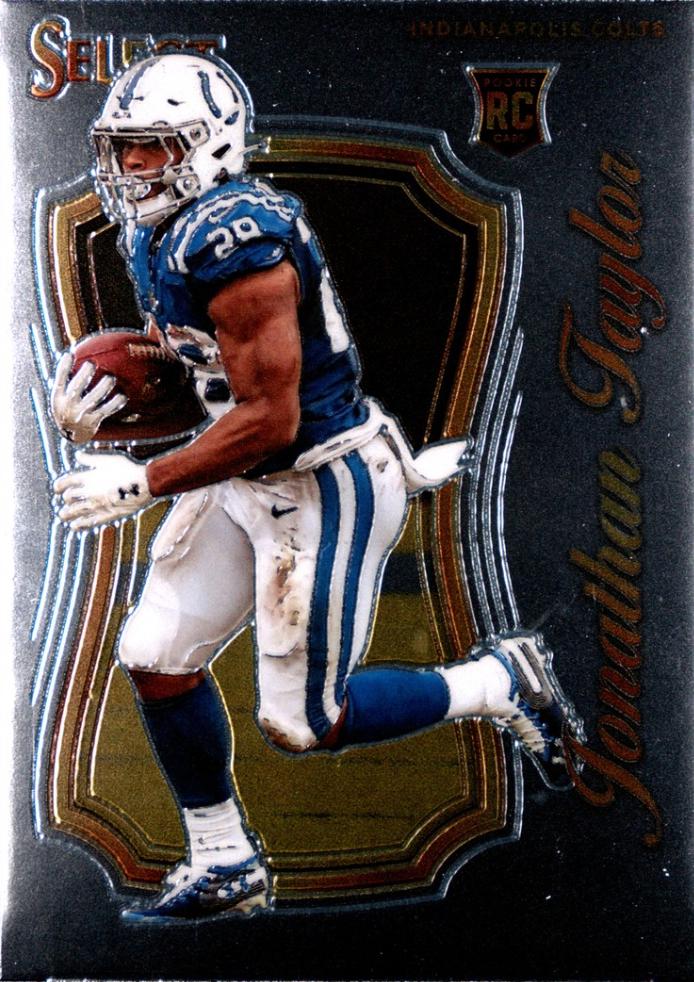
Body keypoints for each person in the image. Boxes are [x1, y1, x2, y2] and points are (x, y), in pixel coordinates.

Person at [51, 52, 581, 922]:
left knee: (306, 723)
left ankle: (497, 682)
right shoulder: (156, 231)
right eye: (123, 146)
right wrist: (104, 409)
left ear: (209, 143)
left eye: (153, 146)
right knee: (154, 655)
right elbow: (205, 374)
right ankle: (224, 859)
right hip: (242, 475)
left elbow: (272, 417)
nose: (132, 165)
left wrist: (144, 479)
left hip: (322, 480)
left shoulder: (239, 241)